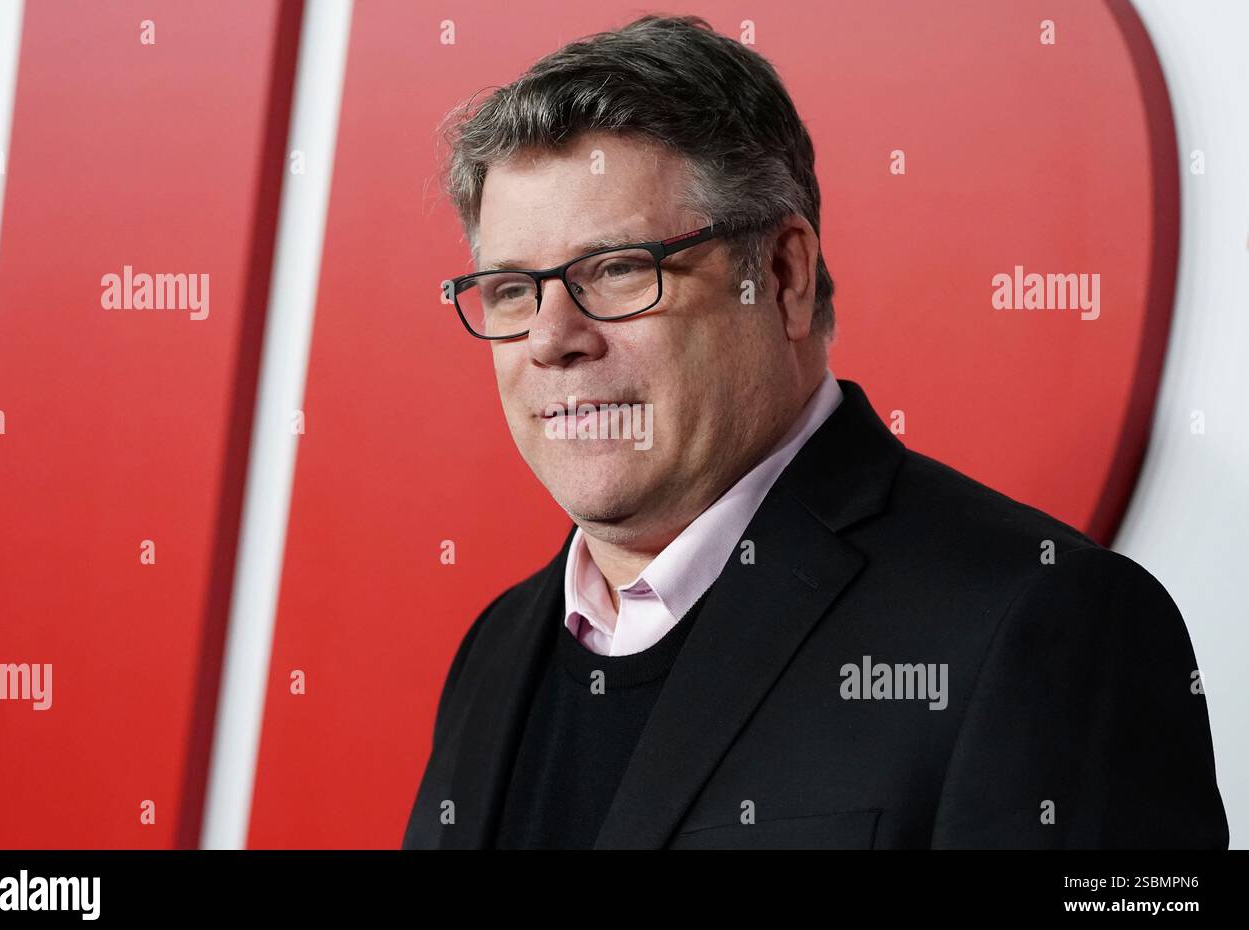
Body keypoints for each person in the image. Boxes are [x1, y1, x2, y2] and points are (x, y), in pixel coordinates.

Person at [402, 14, 1228, 849]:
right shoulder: (497, 650)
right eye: (512, 290)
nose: (550, 340)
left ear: (784, 276)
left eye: (617, 270)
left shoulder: (1039, 627)